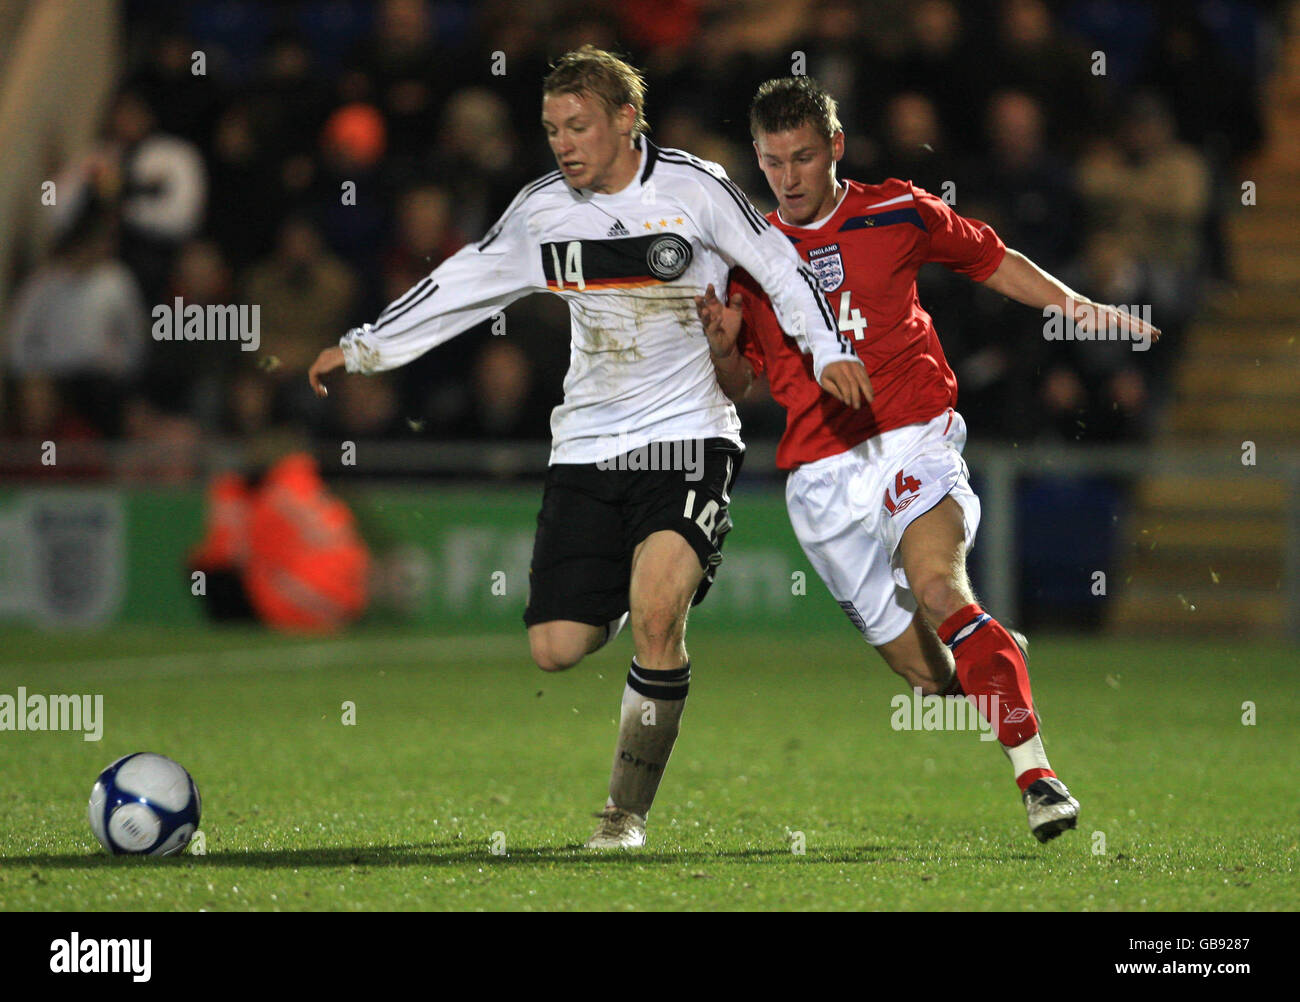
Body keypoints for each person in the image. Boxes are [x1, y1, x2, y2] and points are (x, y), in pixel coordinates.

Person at [309, 48, 870, 848]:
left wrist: (827, 351)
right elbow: (465, 282)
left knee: (656, 616)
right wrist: (363, 348)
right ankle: (630, 598)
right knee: (555, 648)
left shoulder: (694, 189)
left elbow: (781, 269)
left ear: (625, 122)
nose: (563, 144)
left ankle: (624, 811)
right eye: (551, 129)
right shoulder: (542, 211)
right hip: (589, 442)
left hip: (688, 436)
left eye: (578, 126)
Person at [695, 77, 1159, 841]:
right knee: (926, 676)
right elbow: (739, 382)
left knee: (940, 587)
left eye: (804, 157)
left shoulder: (898, 209)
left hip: (913, 435)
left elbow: (992, 259)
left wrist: (1077, 308)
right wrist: (719, 349)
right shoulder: (745, 256)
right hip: (819, 479)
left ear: (835, 147)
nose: (789, 177)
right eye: (773, 161)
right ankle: (989, 659)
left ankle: (1037, 775)